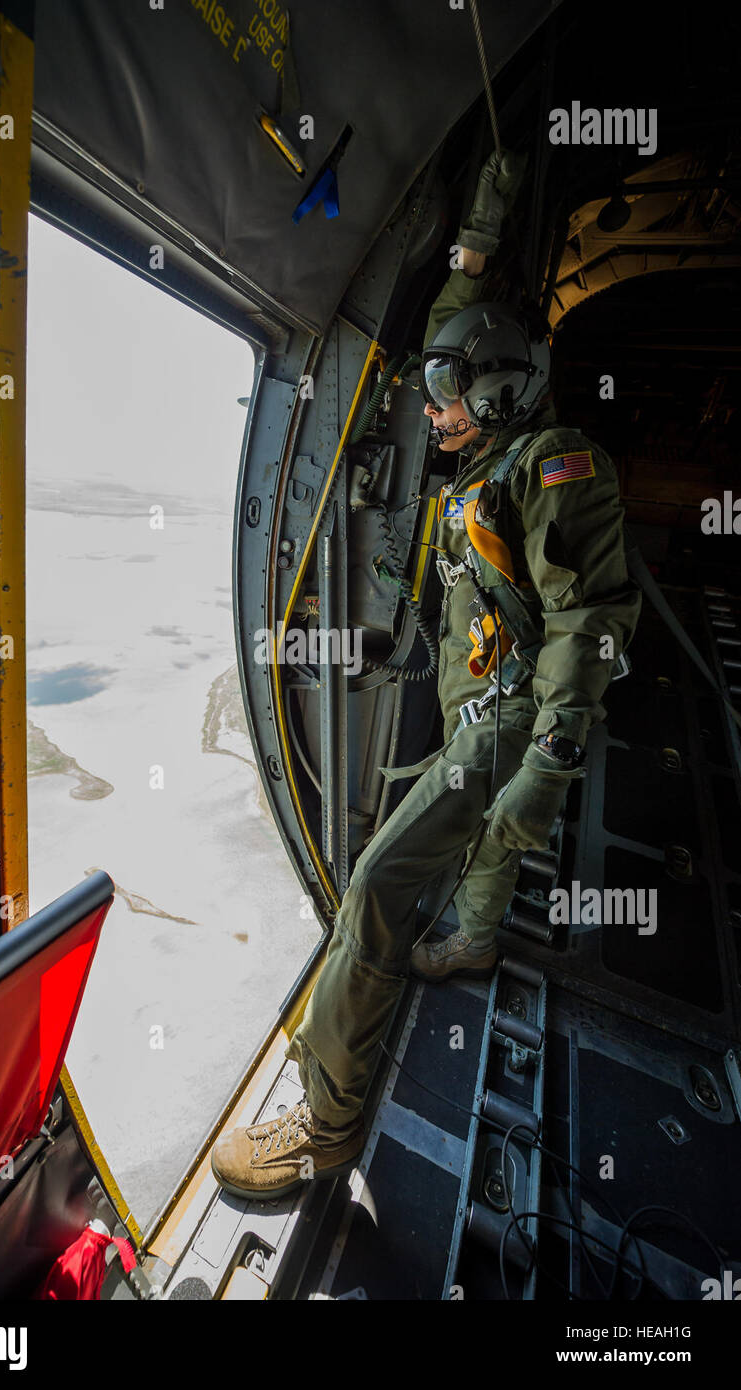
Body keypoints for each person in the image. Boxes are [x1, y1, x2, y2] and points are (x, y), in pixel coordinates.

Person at [210, 151, 642, 1201]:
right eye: (431, 387)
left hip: (505, 723)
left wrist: (546, 756)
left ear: (496, 390)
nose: (431, 408)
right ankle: (480, 939)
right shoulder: (487, 470)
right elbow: (457, 327)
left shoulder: (550, 465)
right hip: (479, 715)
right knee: (475, 853)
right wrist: (478, 240)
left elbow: (587, 621)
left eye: (448, 392)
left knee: (379, 881)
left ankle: (324, 1121)